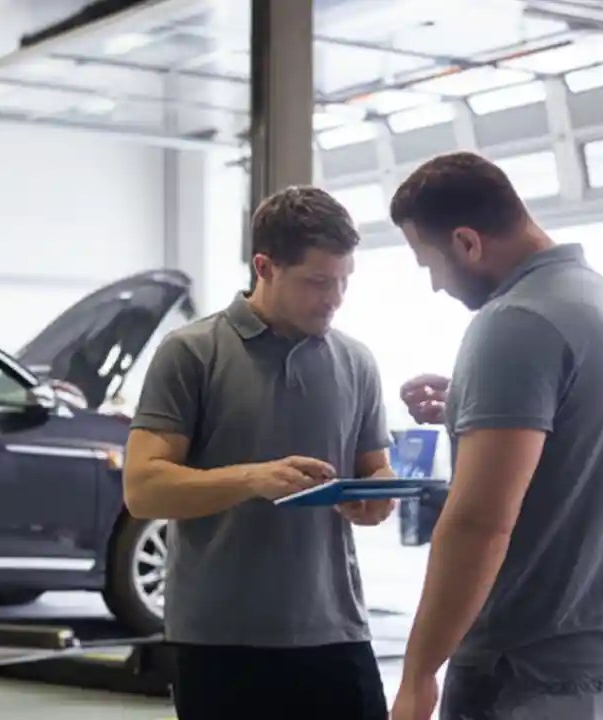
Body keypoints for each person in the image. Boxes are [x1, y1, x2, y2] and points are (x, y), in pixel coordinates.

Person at [386, 151, 603, 720]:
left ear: (467, 242)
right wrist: (470, 408)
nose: (436, 285)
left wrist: (417, 675)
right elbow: (579, 445)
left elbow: (478, 524)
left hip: (529, 669)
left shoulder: (514, 320)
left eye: (429, 263)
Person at [122, 185, 397, 720]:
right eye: (317, 282)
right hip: (222, 642)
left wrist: (378, 497)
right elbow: (142, 488)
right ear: (264, 266)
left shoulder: (357, 361)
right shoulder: (192, 353)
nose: (333, 298)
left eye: (343, 281)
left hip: (336, 632)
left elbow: (374, 468)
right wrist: (251, 479)